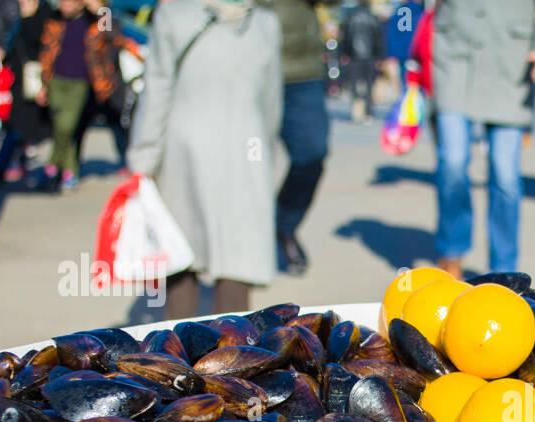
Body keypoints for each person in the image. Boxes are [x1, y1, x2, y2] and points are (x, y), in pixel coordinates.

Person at [127, 0, 282, 318]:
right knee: (239, 256)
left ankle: (179, 353)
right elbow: (271, 101)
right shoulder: (264, 23)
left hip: (184, 146)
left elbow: (157, 90)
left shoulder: (172, 15)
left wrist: (143, 157)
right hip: (246, 144)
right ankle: (236, 355)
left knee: (180, 252)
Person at [430, 0, 535, 278]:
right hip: (454, 55)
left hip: (511, 61)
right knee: (452, 161)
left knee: (505, 172)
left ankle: (503, 269)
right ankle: (452, 248)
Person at [37, 0, 139, 191]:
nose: (65, 5)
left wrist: (101, 10)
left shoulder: (93, 19)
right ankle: (67, 169)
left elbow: (111, 34)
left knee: (69, 125)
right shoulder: (55, 19)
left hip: (85, 83)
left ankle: (54, 167)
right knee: (65, 127)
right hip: (57, 81)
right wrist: (43, 83)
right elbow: (44, 49)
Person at [275, 0, 329, 276]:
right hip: (247, 63)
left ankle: (284, 225)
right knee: (245, 166)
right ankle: (241, 247)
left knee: (312, 153)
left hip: (303, 73)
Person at [0, 0, 53, 184]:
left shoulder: (43, 14)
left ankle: (51, 171)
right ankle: (4, 165)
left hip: (34, 79)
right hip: (18, 80)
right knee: (17, 126)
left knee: (29, 128)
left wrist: (44, 84)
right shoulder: (16, 12)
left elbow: (41, 47)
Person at [342, 0, 384, 124]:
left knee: (354, 84)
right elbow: (379, 39)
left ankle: (356, 110)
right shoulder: (373, 19)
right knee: (369, 85)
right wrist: (379, 56)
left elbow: (346, 37)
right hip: (370, 57)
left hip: (354, 57)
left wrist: (345, 53)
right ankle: (368, 112)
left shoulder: (351, 18)